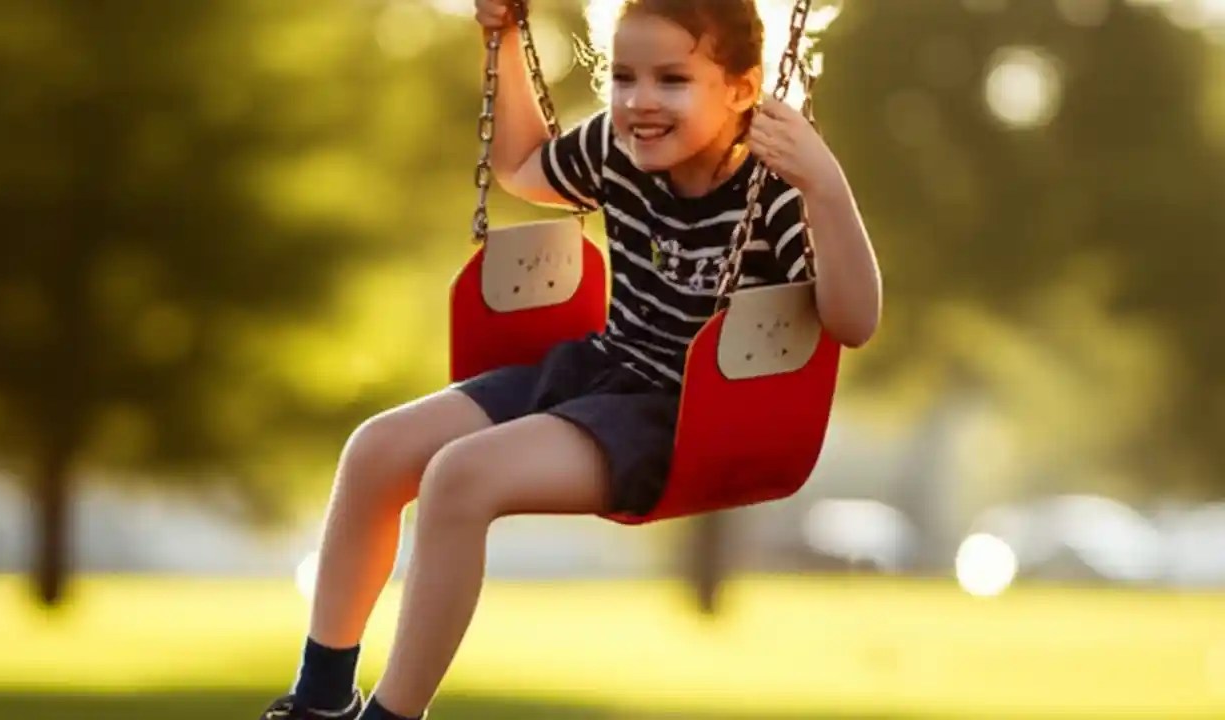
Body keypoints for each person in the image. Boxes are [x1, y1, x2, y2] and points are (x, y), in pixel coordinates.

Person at [258, 0, 881, 717]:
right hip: (598, 369)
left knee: (460, 477)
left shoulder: (776, 191)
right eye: (623, 76)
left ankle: (394, 715)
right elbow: (524, 164)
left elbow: (853, 321)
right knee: (377, 450)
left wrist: (826, 187)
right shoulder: (618, 151)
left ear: (743, 89)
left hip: (682, 417)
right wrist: (509, 34)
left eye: (672, 80)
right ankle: (321, 698)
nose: (640, 101)